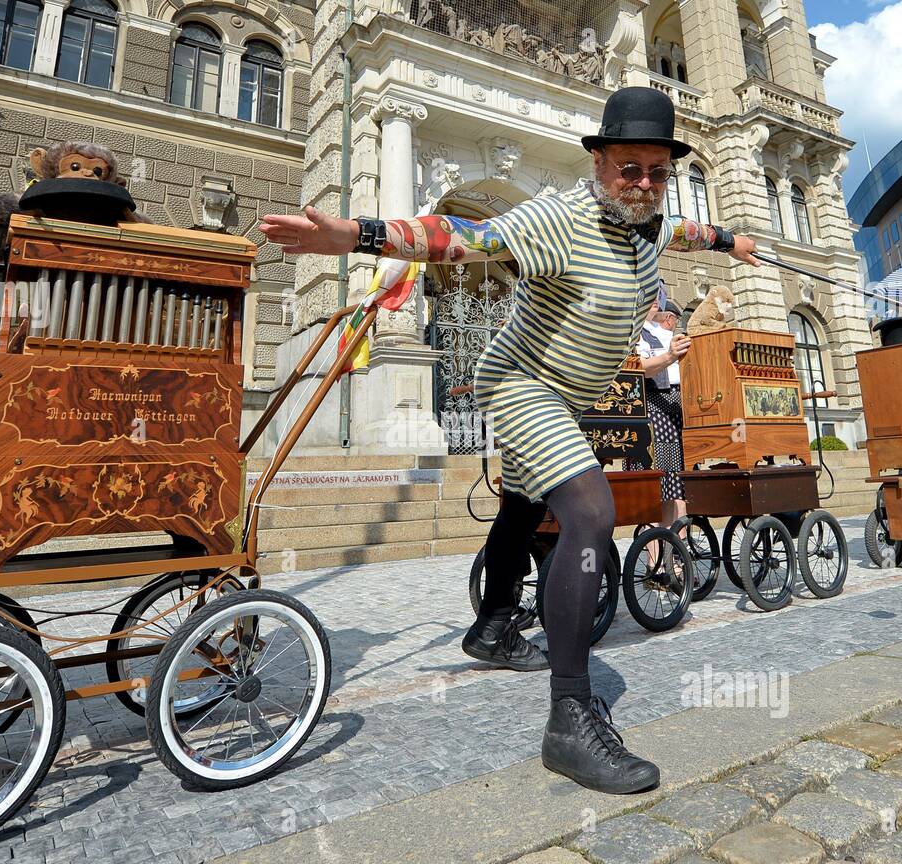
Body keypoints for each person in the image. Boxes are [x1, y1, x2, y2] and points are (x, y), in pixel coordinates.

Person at [260, 86, 759, 795]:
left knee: (521, 510)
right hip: (525, 385)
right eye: (628, 168)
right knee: (588, 513)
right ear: (599, 162)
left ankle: (492, 628)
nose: (643, 183)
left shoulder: (649, 224)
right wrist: (353, 236)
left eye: (656, 170)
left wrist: (732, 242)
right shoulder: (558, 218)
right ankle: (570, 719)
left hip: (568, 395)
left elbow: (685, 233)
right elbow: (460, 239)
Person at [625, 283, 691, 532]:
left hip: (674, 408)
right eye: (650, 293)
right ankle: (655, 557)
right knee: (655, 485)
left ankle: (676, 552)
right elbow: (636, 367)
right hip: (649, 407)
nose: (656, 299)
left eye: (658, 294)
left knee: (676, 484)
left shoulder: (661, 331)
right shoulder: (631, 330)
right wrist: (669, 357)